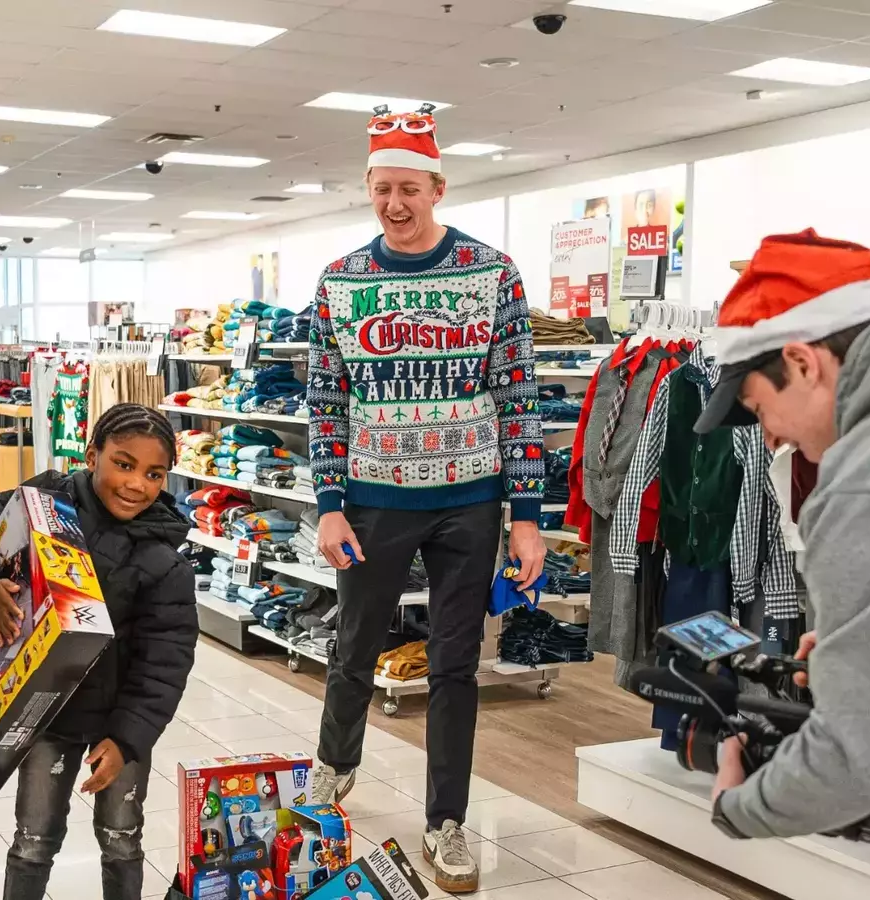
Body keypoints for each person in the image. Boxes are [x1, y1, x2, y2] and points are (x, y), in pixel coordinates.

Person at [304, 104, 545, 893]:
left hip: (468, 503)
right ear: (367, 189)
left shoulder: (492, 273)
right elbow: (325, 403)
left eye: (410, 189)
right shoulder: (340, 282)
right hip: (372, 501)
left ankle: (446, 823)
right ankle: (331, 777)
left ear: (439, 186)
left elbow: (519, 401)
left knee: (454, 666)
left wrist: (528, 520)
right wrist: (329, 503)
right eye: (381, 191)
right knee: (353, 648)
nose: (395, 206)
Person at [0, 404, 198, 900]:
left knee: (122, 840)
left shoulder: (164, 561)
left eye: (154, 474)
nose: (136, 484)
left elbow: (165, 664)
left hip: (120, 723)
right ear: (91, 455)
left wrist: (127, 740)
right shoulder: (45, 500)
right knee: (34, 841)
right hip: (47, 716)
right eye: (123, 464)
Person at [694, 230, 870, 841]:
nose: (770, 439)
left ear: (801, 362)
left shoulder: (855, 484)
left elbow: (857, 754)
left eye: (757, 407)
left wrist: (739, 805)